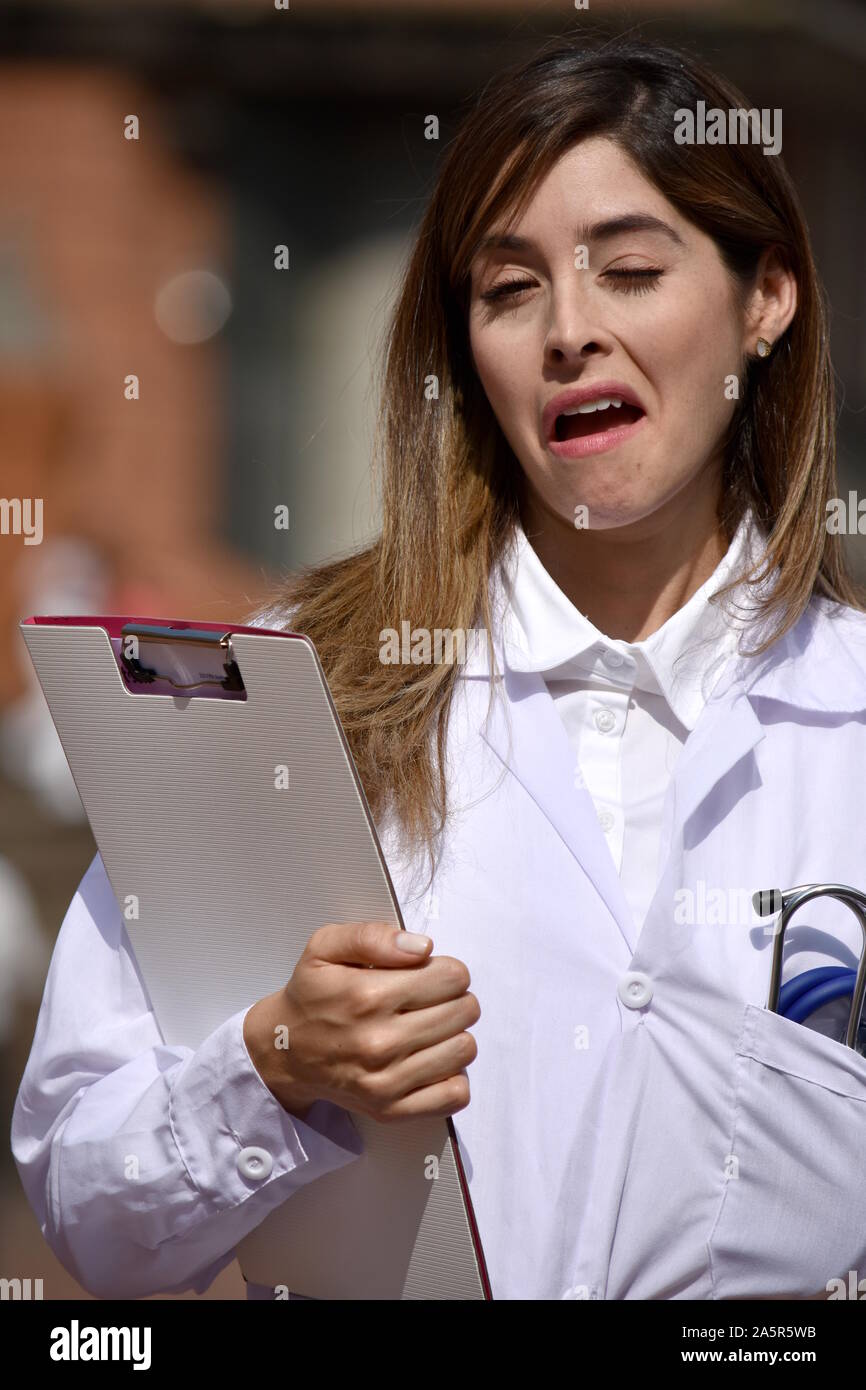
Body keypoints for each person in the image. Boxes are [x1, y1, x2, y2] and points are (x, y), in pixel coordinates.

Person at [12, 33, 866, 1302]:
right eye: (508, 289)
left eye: (629, 270)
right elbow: (86, 1202)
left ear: (766, 300)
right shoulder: (286, 694)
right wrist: (272, 1067)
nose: (569, 331)